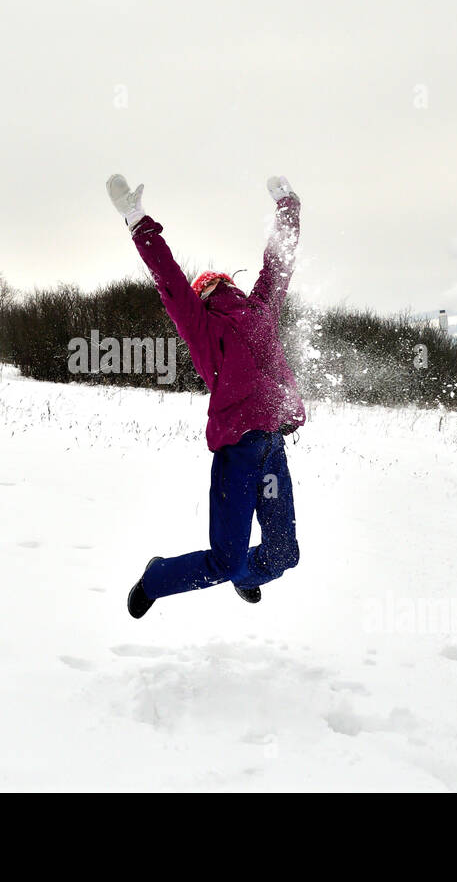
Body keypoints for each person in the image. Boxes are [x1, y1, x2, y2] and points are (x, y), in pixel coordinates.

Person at [106, 175, 307, 619]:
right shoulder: (201, 327)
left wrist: (288, 207)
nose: (210, 282)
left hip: (272, 449)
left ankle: (245, 578)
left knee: (282, 554)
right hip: (238, 454)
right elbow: (170, 279)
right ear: (201, 295)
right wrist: (137, 220)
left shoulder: (261, 309)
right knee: (225, 559)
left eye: (214, 279)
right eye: (204, 284)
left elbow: (279, 265)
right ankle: (156, 577)